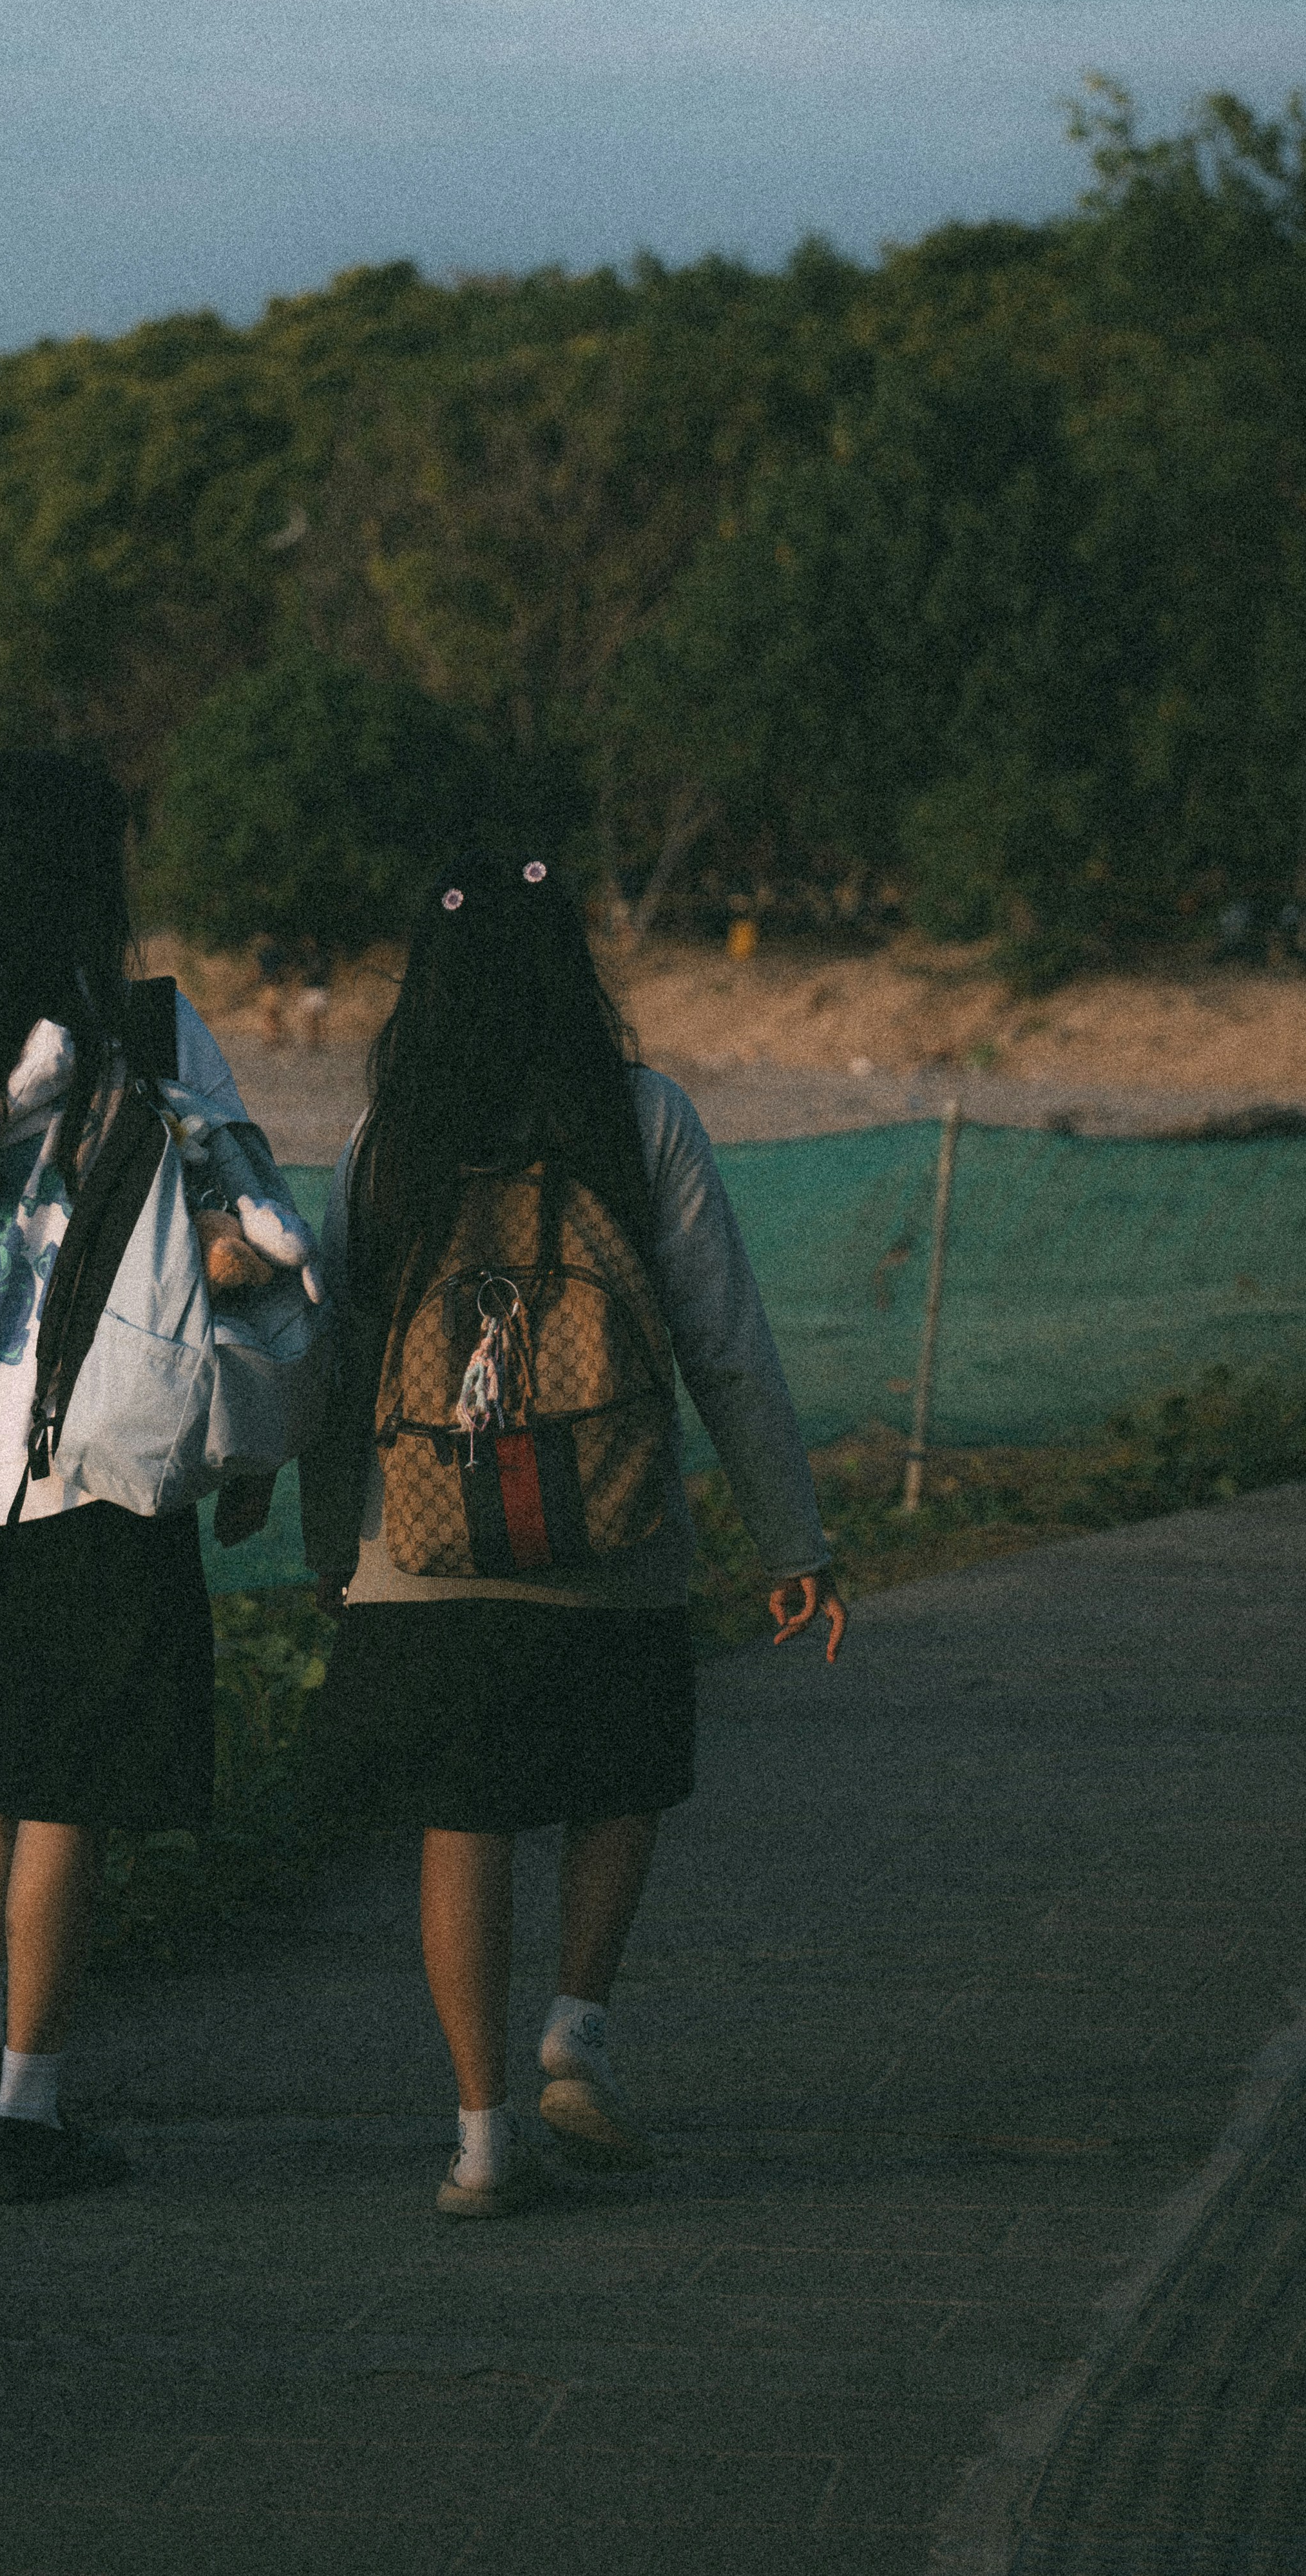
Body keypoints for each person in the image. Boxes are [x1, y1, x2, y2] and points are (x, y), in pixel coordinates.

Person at [299, 846, 845, 2219]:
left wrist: (326, 1550)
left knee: (460, 1821)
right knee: (618, 1778)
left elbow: (339, 1357)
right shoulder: (640, 1115)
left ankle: (480, 2139)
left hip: (418, 1544)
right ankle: (576, 2033)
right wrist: (793, 1541)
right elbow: (723, 1345)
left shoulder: (388, 1138)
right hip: (610, 1532)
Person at [0, 750, 312, 2203]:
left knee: (4, 1717)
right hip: (89, 1457)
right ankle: (30, 2111)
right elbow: (253, 1233)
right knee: (74, 1779)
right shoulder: (137, 1032)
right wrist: (265, 1416)